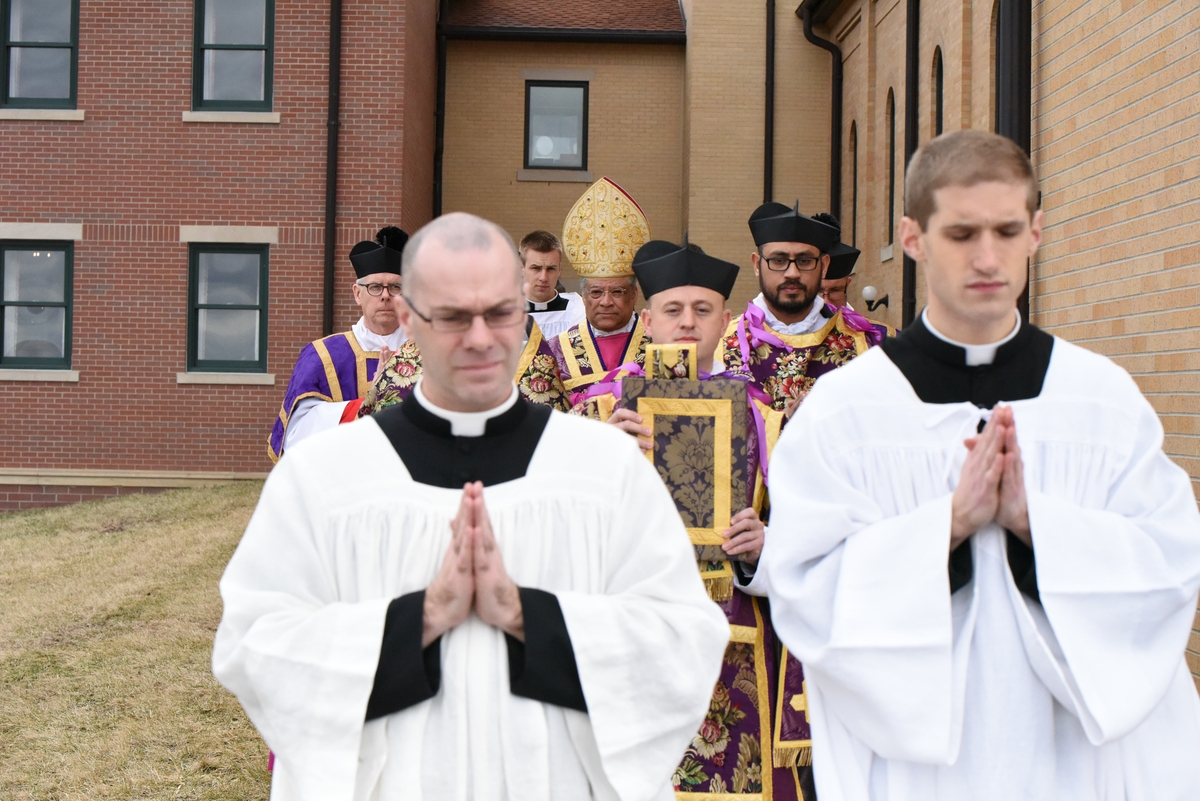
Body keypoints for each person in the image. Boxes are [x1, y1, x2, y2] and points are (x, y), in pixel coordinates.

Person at [213, 212, 730, 801]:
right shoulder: (325, 478)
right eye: (454, 316)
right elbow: (255, 646)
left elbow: (681, 640)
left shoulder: (604, 470)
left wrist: (527, 617)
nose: (481, 338)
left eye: (500, 313)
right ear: (408, 318)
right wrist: (421, 620)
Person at [762, 130, 1200, 801]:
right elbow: (803, 589)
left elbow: (1170, 568)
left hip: (1080, 767)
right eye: (963, 234)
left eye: (1007, 229)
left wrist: (1036, 525)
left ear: (1036, 232)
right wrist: (948, 526)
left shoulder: (1101, 398)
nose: (988, 257)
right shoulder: (847, 412)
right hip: (921, 776)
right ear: (912, 237)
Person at [587, 239, 811, 798]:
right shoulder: (595, 413)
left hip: (732, 640)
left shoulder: (765, 417)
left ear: (725, 320)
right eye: (673, 309)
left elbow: (805, 531)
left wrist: (765, 547)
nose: (688, 323)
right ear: (648, 320)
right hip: (628, 636)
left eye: (703, 310)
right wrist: (592, 460)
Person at [720, 204, 886, 418]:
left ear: (824, 265)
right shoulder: (718, 344)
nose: (792, 273)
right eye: (778, 261)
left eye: (804, 261)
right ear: (756, 264)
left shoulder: (873, 344)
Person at [267, 225, 407, 461]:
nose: (385, 295)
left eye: (396, 287)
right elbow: (297, 435)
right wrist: (368, 404)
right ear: (357, 294)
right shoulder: (322, 356)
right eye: (374, 287)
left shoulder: (431, 353)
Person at [526, 177, 652, 407]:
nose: (605, 302)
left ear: (634, 294)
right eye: (595, 292)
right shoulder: (555, 352)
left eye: (616, 291)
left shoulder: (660, 346)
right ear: (583, 297)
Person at [520, 229, 584, 339]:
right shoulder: (503, 316)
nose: (543, 278)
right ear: (521, 268)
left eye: (551, 269)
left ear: (559, 270)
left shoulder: (579, 312)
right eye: (536, 268)